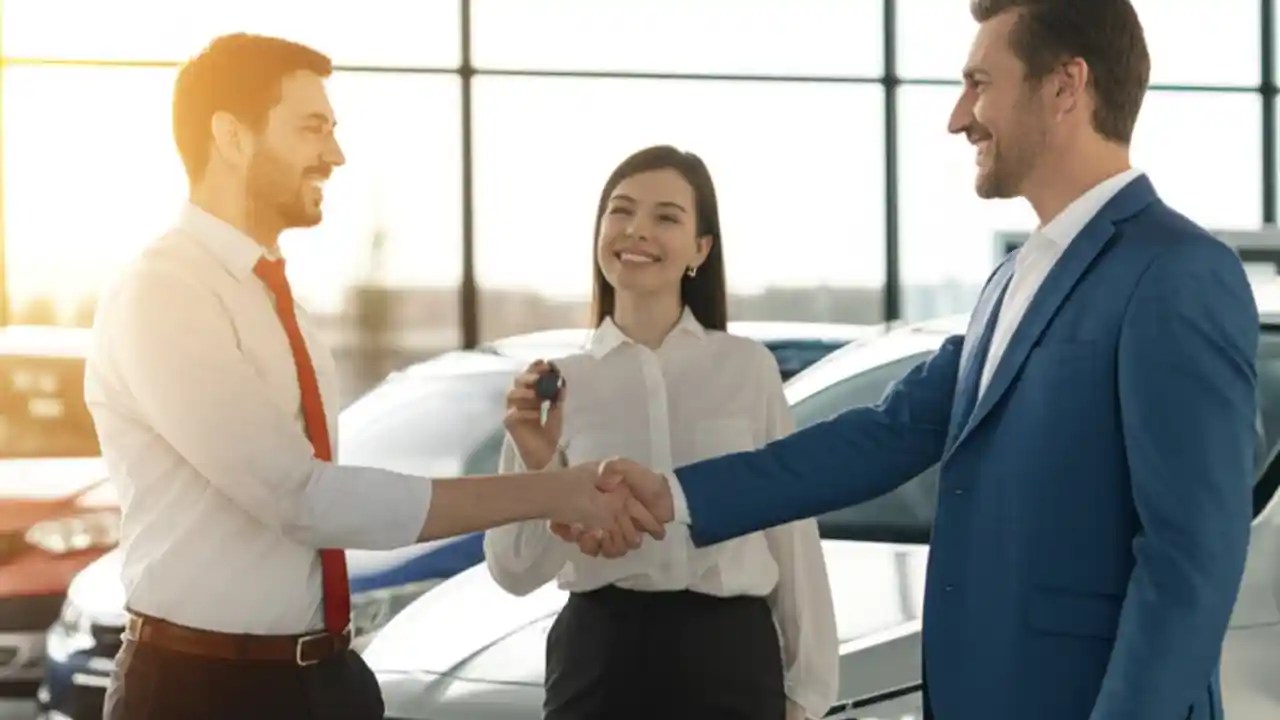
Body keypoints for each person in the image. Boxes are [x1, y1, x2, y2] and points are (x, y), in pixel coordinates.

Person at [584, 3, 1259, 720]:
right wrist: (679, 497)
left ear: (1065, 87)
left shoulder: (1177, 272)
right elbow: (886, 432)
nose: (958, 117)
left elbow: (1190, 565)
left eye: (979, 82)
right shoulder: (1013, 280)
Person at [85, 34, 655, 720]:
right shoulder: (164, 291)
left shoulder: (271, 295)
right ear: (231, 136)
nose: (334, 153)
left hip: (321, 680)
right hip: (203, 691)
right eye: (311, 127)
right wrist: (550, 491)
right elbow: (298, 494)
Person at [483, 145, 839, 720]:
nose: (637, 230)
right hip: (600, 662)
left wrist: (807, 692)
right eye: (620, 212)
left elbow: (791, 534)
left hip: (731, 660)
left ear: (700, 249)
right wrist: (539, 465)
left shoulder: (746, 368)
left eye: (666, 217)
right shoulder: (557, 386)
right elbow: (515, 571)